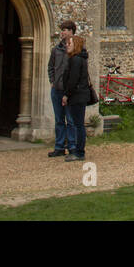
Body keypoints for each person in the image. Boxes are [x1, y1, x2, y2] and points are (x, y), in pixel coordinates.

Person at [58, 34, 91, 162]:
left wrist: (66, 95)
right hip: (79, 95)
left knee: (78, 125)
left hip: (77, 96)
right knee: (78, 124)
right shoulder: (79, 59)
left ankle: (79, 152)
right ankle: (78, 151)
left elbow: (73, 80)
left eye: (69, 43)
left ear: (75, 45)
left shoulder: (76, 60)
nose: (67, 45)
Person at [47, 20, 77, 158]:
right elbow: (50, 67)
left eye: (65, 29)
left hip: (69, 91)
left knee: (70, 120)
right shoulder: (56, 50)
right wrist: (52, 81)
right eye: (62, 29)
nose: (62, 32)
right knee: (59, 120)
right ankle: (59, 146)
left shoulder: (76, 49)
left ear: (71, 32)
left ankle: (72, 146)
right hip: (56, 90)